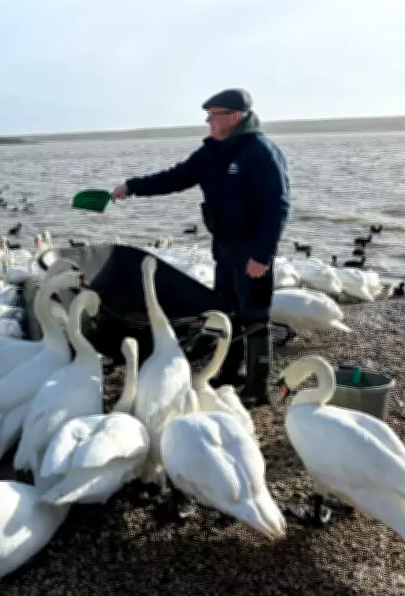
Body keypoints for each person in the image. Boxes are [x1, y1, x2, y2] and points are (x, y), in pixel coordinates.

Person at [112, 88, 290, 407]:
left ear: (234, 117)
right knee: (227, 308)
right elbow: (176, 177)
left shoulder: (260, 151)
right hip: (224, 246)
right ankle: (229, 372)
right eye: (207, 115)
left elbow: (276, 206)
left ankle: (257, 387)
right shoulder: (211, 153)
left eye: (213, 114)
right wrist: (133, 187)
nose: (208, 121)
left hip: (251, 249)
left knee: (255, 314)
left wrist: (262, 256)